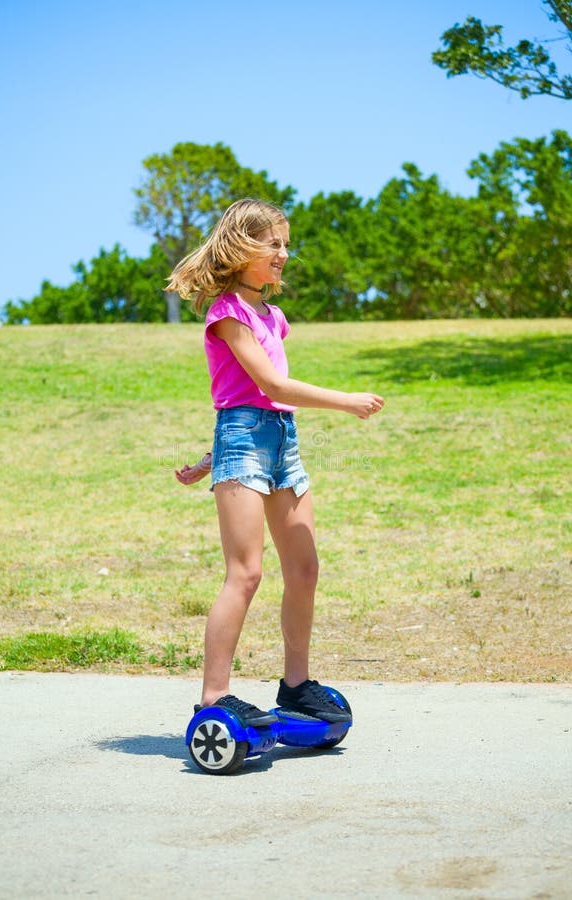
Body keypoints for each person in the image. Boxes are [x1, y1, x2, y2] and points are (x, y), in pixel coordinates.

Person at [168, 198, 384, 727]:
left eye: (286, 243)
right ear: (243, 247)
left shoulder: (273, 317)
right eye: (274, 243)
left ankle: (295, 686)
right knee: (246, 573)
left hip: (282, 442)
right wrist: (346, 400)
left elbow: (253, 395)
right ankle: (213, 697)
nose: (284, 253)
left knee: (304, 568)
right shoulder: (227, 314)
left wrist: (205, 460)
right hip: (244, 439)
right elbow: (265, 388)